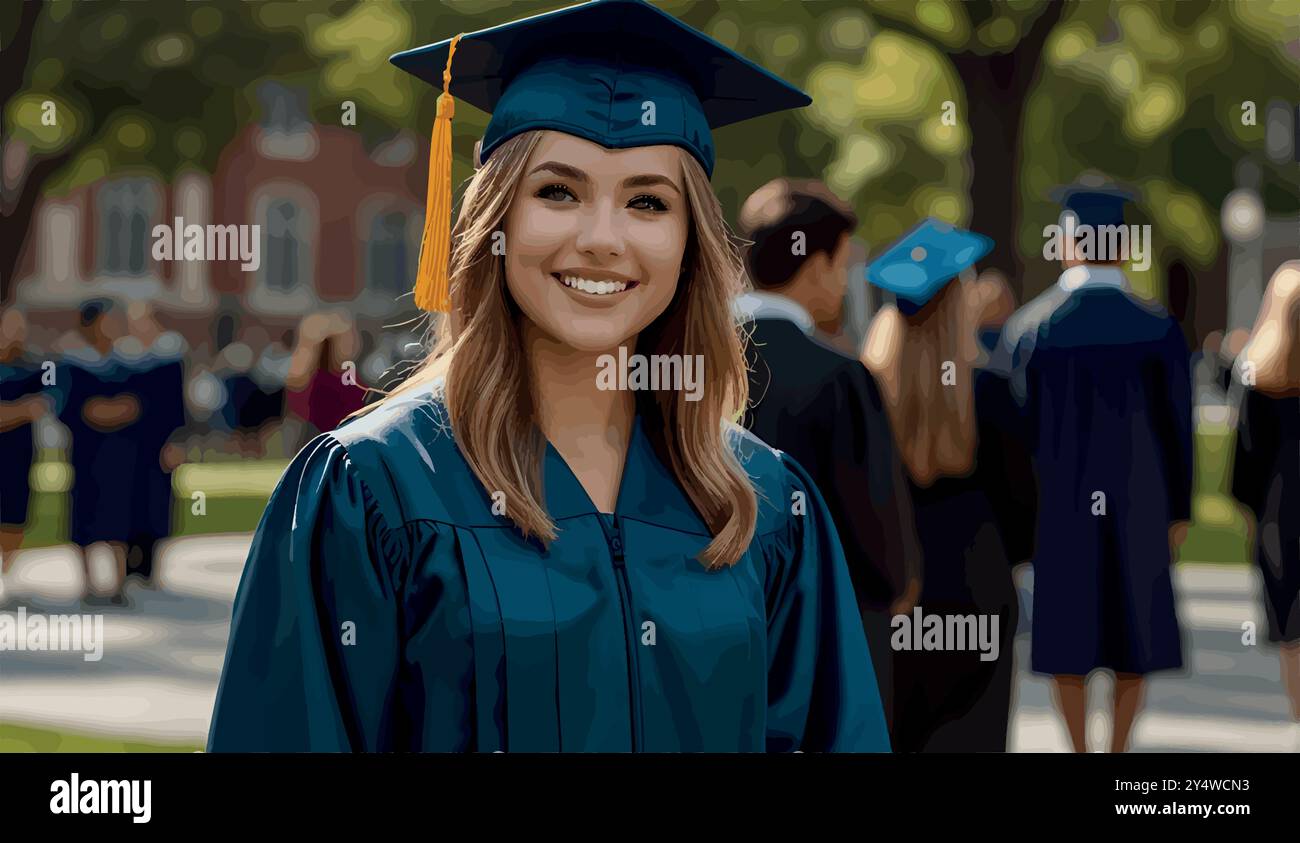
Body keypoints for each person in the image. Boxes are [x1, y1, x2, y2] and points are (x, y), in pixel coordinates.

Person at [208, 0, 889, 752]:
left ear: (690, 240)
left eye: (647, 202)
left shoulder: (762, 503)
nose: (602, 238)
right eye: (557, 191)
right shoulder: (371, 489)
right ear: (495, 219)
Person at [997, 179, 1193, 752]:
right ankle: (1118, 753)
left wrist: (1019, 519)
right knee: (1135, 637)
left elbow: (1015, 437)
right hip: (1142, 503)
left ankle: (1080, 750)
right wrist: (1177, 512)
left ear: (1068, 242)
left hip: (1057, 510)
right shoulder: (1156, 328)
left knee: (1069, 636)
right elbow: (1177, 430)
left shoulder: (1032, 329)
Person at [735, 178, 921, 732]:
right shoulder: (838, 375)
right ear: (814, 264)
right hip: (823, 630)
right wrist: (897, 582)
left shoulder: (685, 362)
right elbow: (872, 513)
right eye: (841, 265)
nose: (842, 283)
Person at [862, 219, 1035, 752]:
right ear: (960, 306)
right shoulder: (991, 392)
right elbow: (1024, 511)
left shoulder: (862, 392)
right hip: (975, 585)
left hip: (893, 590)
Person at [1231, 261, 1300, 746]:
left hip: (1283, 516)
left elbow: (1245, 470)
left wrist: (1256, 515)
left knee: (1294, 636)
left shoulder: (1260, 380)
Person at [57, 299, 142, 605]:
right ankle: (88, 583)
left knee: (119, 513)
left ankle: (118, 583)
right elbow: (73, 410)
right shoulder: (73, 363)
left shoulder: (126, 363)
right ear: (91, 324)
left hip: (119, 455)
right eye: (110, 319)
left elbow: (135, 407)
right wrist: (104, 412)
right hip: (87, 453)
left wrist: (104, 411)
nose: (116, 324)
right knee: (85, 513)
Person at [0, 307, 48, 602]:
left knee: (16, 516)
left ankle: (5, 574)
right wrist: (20, 411)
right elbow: (29, 408)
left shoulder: (33, 367)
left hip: (19, 453)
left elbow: (42, 405)